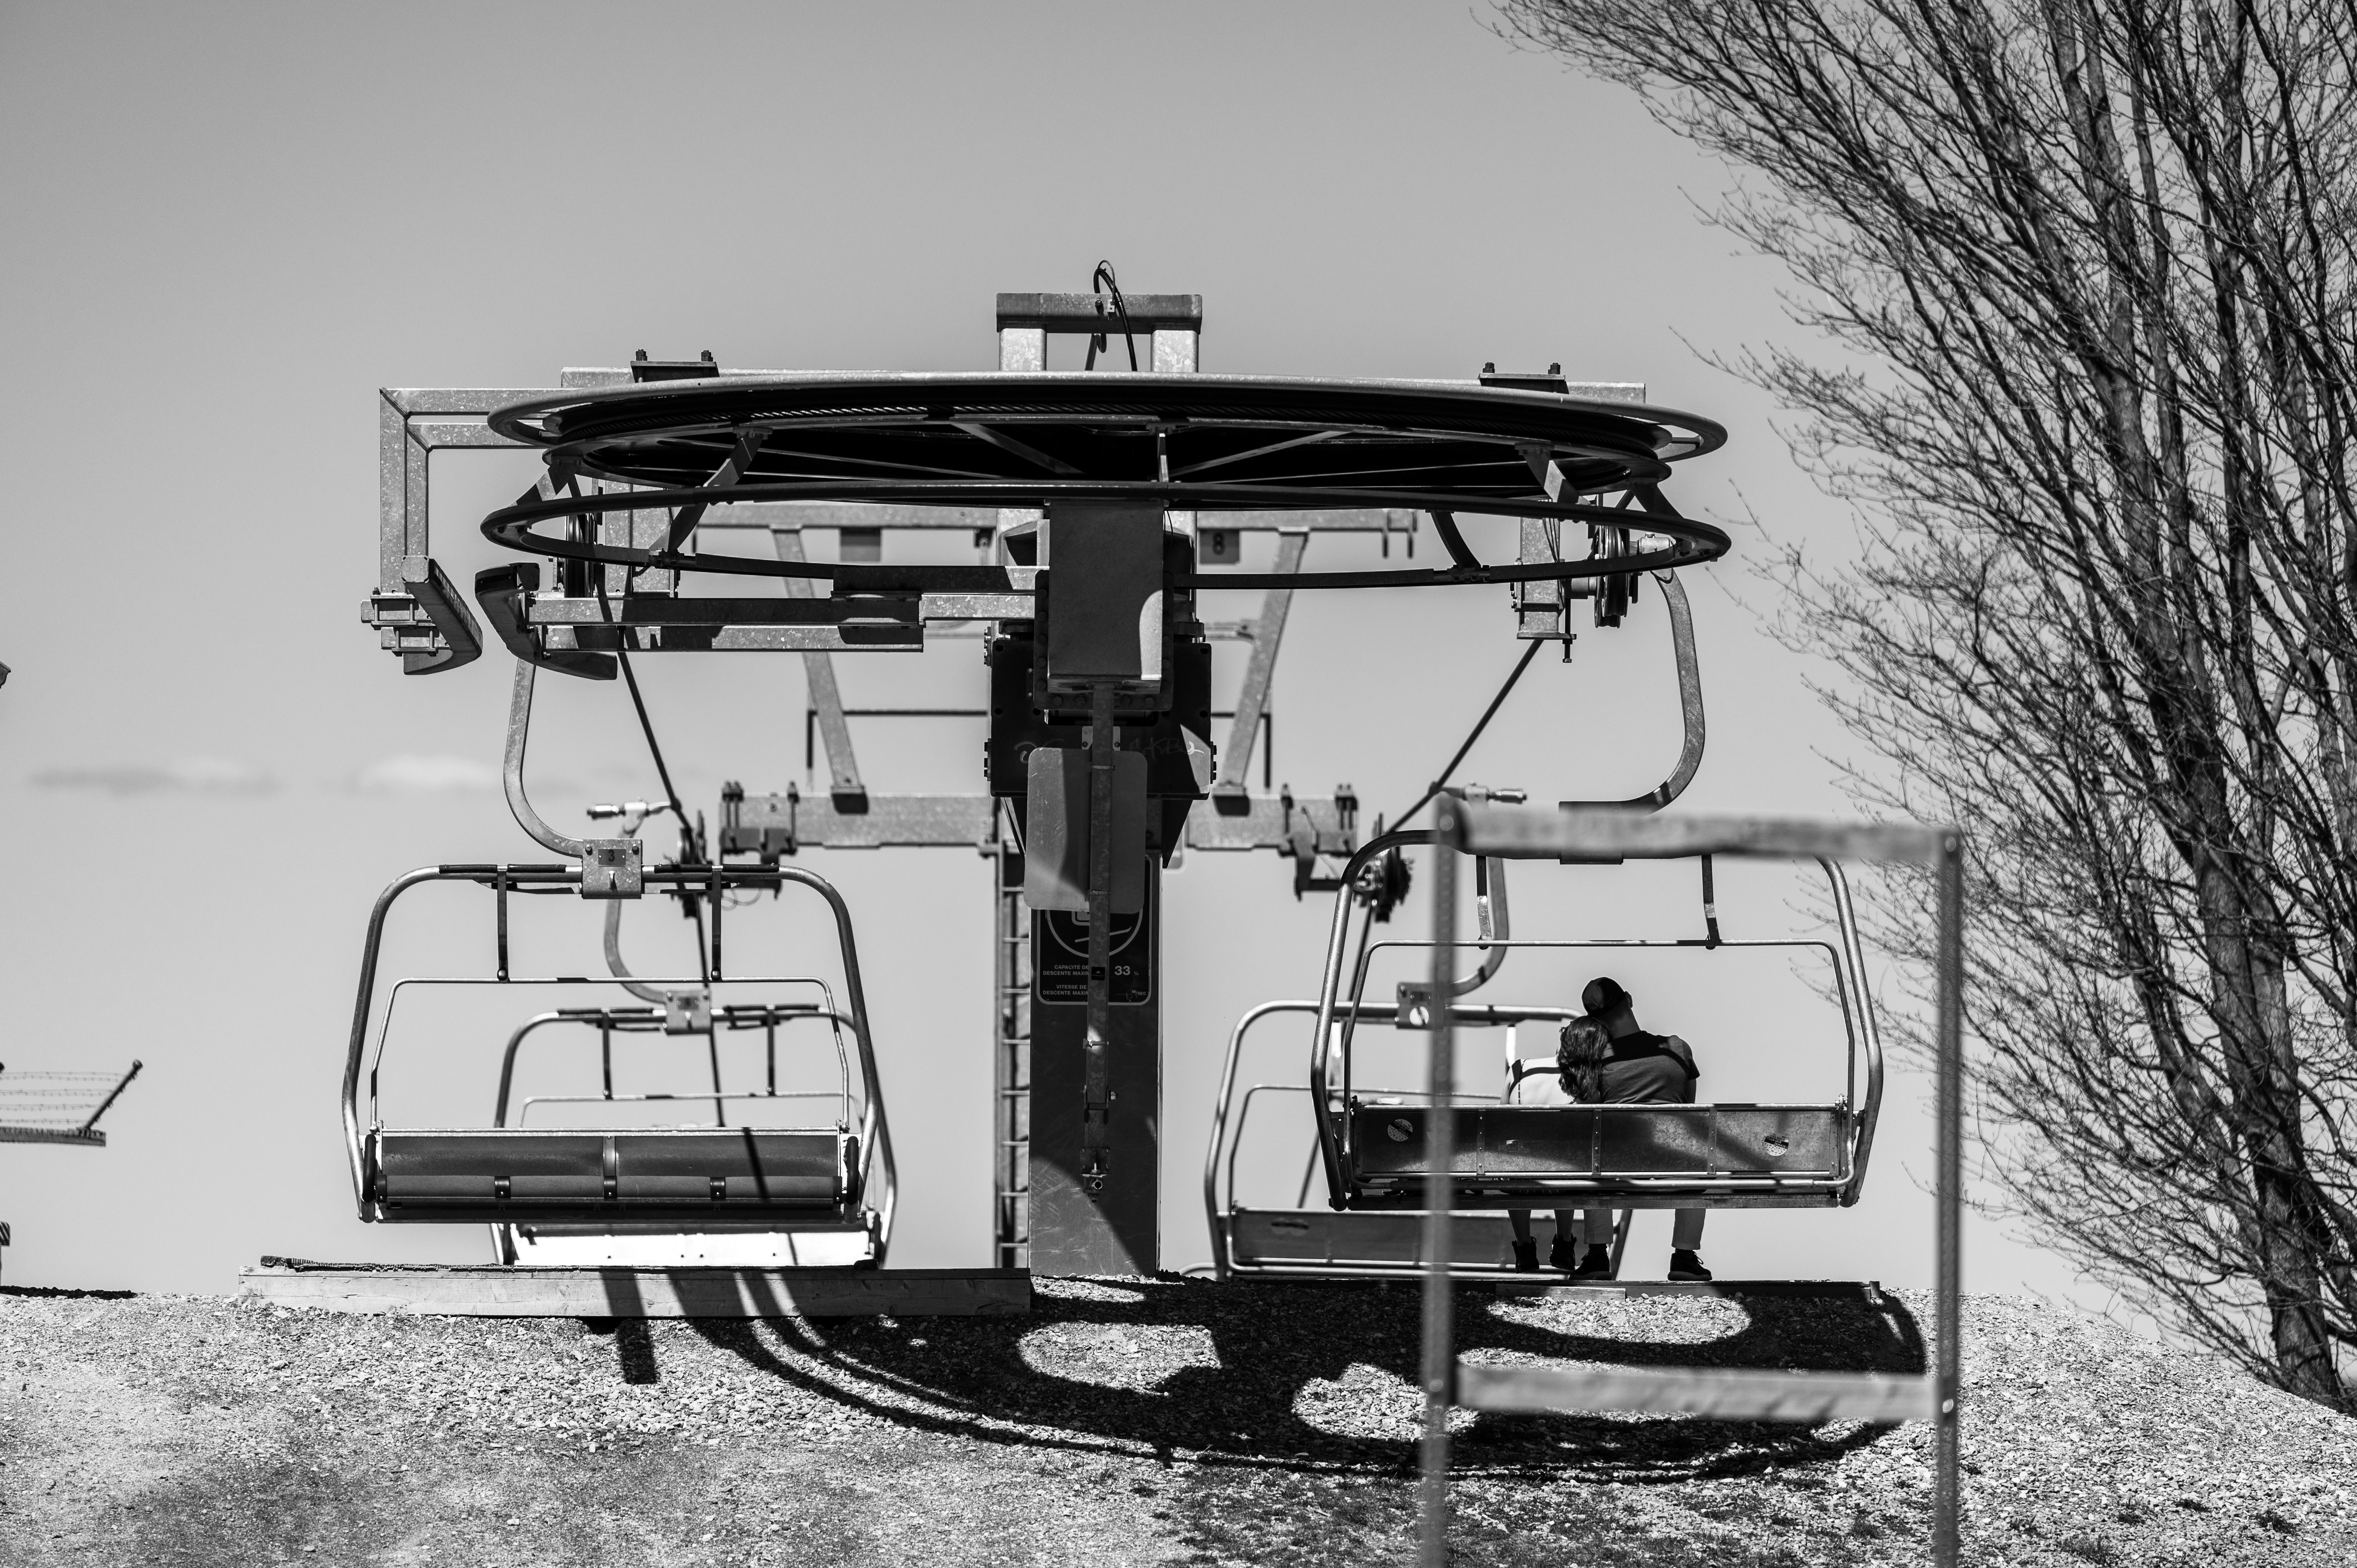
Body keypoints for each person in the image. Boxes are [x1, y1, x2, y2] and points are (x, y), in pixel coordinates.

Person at [1581, 975, 1712, 1282]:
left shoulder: (1597, 1062)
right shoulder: (1678, 1049)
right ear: (1629, 999)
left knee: (1592, 1152)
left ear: (1595, 1021)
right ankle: (1684, 1257)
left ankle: (1598, 1255)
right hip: (1677, 1168)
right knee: (1694, 1152)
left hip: (1615, 1169)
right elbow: (1687, 1109)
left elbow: (1592, 1117)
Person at [1504, 1017, 1612, 1272]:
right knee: (1570, 1160)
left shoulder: (1522, 1068)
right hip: (1563, 1176)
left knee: (1515, 1160)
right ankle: (1564, 1241)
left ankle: (1524, 1248)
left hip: (1521, 1176)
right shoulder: (1587, 1084)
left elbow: (1502, 1126)